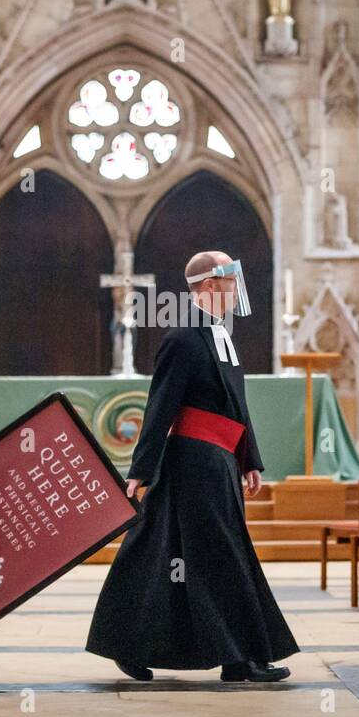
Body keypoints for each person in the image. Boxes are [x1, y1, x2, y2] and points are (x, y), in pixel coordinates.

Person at [86, 251, 300, 682]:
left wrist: (249, 458)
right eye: (228, 282)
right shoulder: (182, 340)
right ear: (206, 286)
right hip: (190, 463)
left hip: (220, 462)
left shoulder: (223, 337)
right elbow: (160, 407)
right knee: (215, 554)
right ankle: (241, 660)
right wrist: (140, 470)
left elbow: (238, 405)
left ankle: (131, 642)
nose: (235, 289)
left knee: (162, 550)